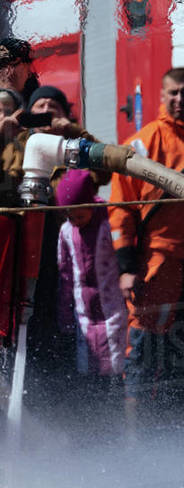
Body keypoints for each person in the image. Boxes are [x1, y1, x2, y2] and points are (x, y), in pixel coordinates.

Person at [110, 67, 184, 425]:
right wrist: (125, 266)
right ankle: (136, 440)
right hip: (154, 269)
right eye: (173, 93)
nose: (180, 100)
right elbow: (120, 210)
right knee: (142, 354)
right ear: (162, 95)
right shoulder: (140, 146)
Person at [55, 170, 126, 411]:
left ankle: (120, 416)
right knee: (90, 371)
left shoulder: (108, 223)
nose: (76, 221)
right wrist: (66, 315)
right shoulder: (66, 232)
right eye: (70, 217)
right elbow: (65, 274)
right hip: (83, 316)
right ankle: (97, 419)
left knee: (117, 367)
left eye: (80, 216)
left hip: (113, 310)